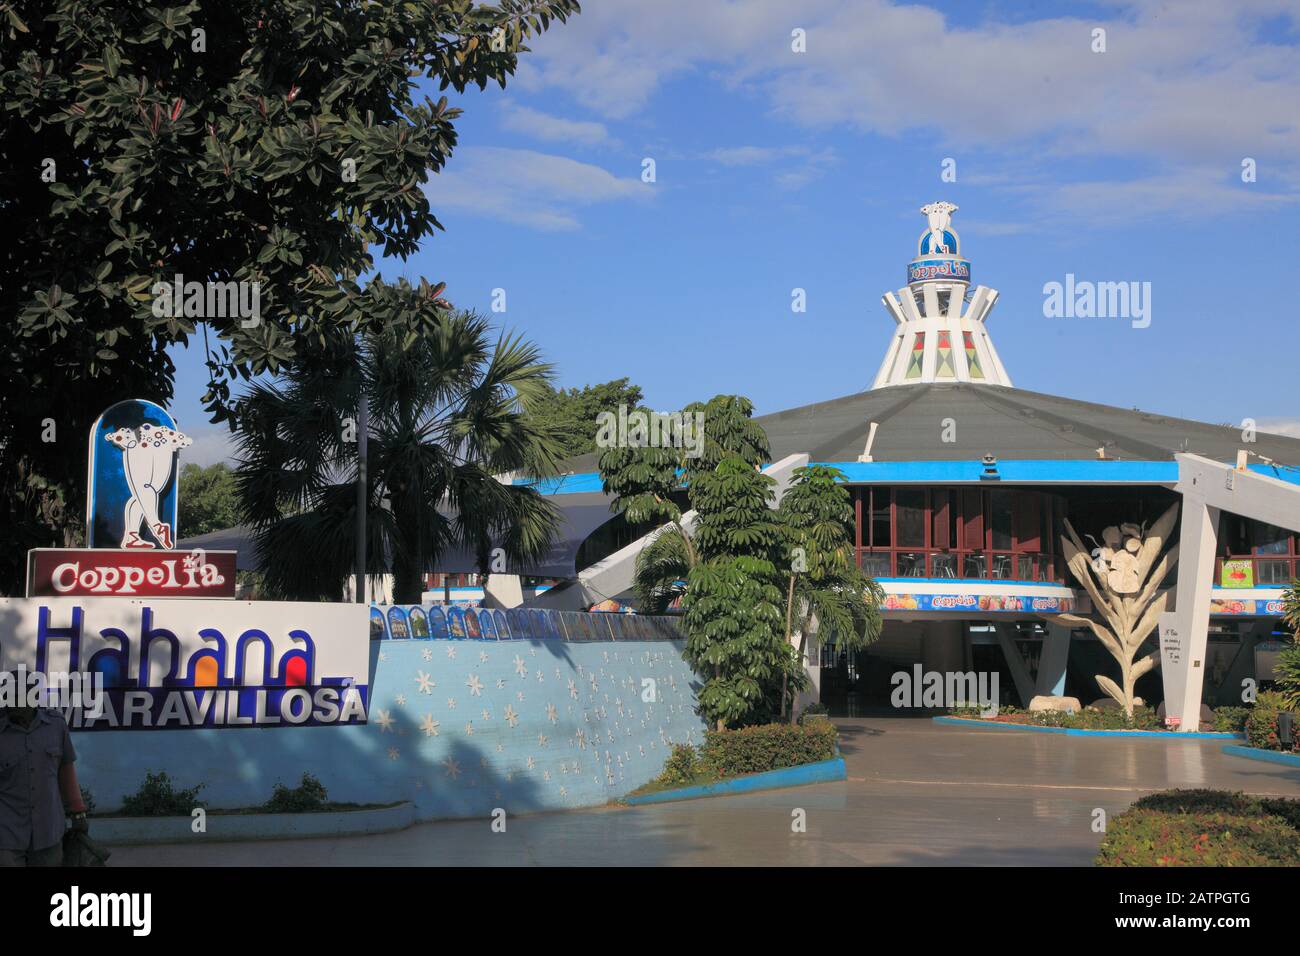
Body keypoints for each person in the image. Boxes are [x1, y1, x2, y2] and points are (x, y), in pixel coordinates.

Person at [0, 670, 88, 866]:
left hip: (49, 830)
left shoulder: (55, 725)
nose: (11, 702)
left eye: (18, 696)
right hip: (6, 834)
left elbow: (66, 770)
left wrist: (77, 810)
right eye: (7, 696)